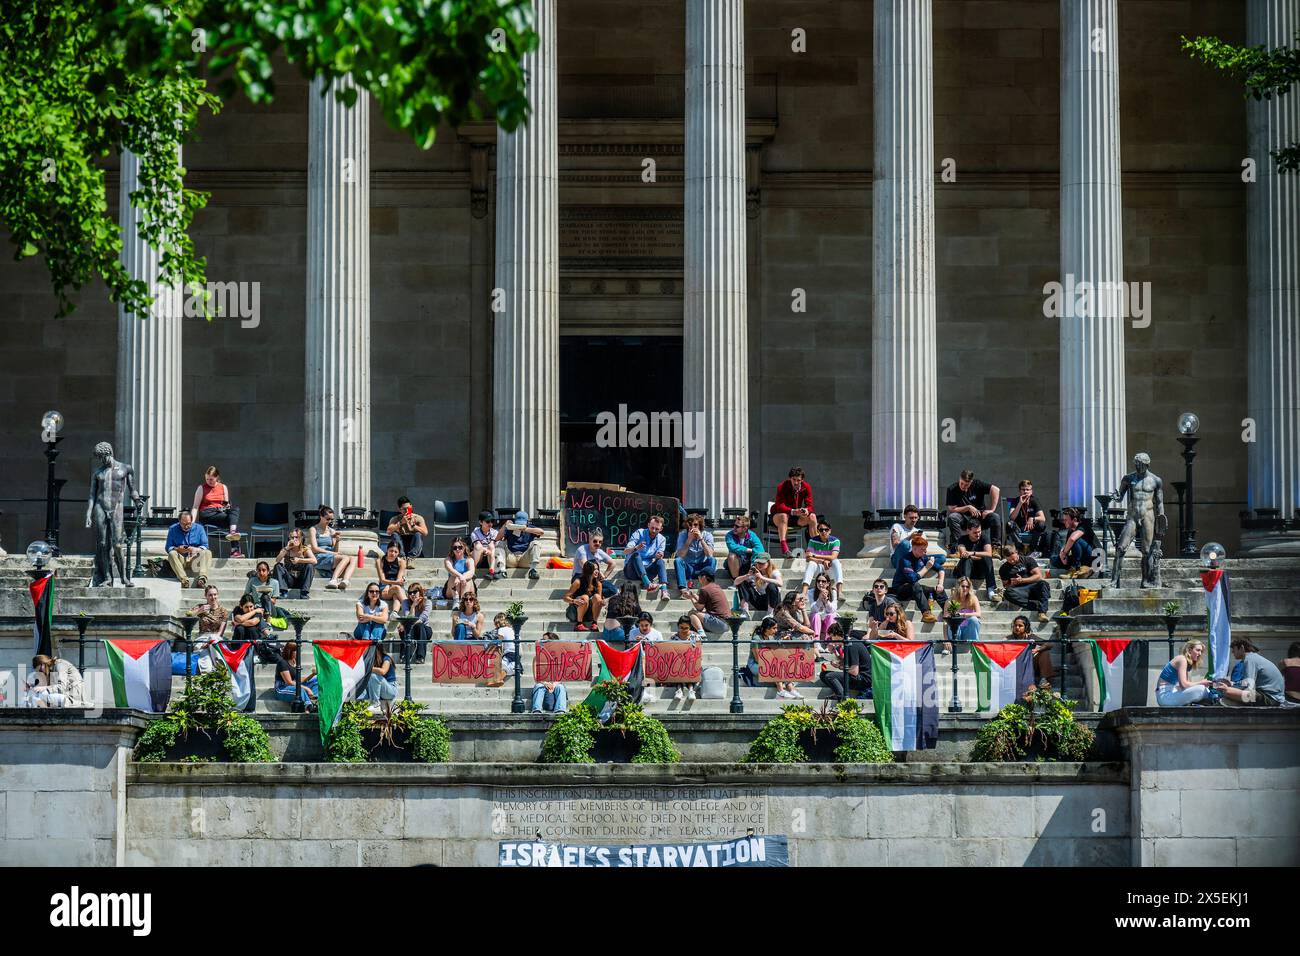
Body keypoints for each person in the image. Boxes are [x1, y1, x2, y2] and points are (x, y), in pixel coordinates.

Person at [1214, 639, 1291, 706]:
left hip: (1271, 699)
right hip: (1273, 697)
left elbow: (1249, 687)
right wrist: (1231, 683)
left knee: (1227, 691)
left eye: (1234, 650)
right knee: (1232, 692)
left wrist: (1229, 689)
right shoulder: (1253, 657)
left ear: (1242, 648)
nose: (1232, 652)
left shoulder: (1249, 659)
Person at [891, 532, 947, 624]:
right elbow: (912, 579)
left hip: (914, 589)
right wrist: (927, 568)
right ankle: (926, 613)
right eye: (922, 549)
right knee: (915, 585)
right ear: (914, 548)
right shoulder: (905, 560)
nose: (925, 552)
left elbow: (940, 569)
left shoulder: (923, 558)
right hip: (900, 589)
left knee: (937, 590)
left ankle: (948, 612)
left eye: (925, 549)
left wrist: (940, 584)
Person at [189, 465, 243, 555]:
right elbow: (195, 507)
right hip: (207, 514)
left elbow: (226, 504)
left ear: (216, 477)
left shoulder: (223, 487)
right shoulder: (201, 488)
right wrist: (192, 522)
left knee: (235, 511)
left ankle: (232, 533)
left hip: (220, 513)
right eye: (207, 479)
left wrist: (227, 506)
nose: (208, 481)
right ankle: (235, 548)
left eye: (211, 479)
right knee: (231, 520)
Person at [997, 542, 1052, 624]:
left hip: (1034, 588)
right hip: (1020, 591)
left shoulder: (1028, 560)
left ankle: (1042, 613)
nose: (1012, 561)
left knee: (1043, 583)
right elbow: (1006, 585)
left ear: (1016, 552)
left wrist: (1023, 580)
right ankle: (1036, 606)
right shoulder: (1003, 568)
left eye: (1013, 558)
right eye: (1009, 560)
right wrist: (1012, 583)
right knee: (1007, 593)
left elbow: (1038, 576)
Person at [945, 469, 1002, 547]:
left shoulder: (977, 484)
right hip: (964, 519)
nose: (963, 486)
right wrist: (968, 507)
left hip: (980, 517)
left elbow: (996, 489)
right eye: (961, 483)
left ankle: (995, 547)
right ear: (959, 478)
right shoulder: (952, 489)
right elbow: (952, 509)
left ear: (971, 482)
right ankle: (956, 547)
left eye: (966, 485)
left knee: (995, 517)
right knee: (952, 517)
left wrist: (992, 510)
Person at [770, 466, 816, 557]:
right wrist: (793, 511)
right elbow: (780, 506)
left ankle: (814, 548)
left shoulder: (806, 487)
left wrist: (806, 511)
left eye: (798, 480)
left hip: (795, 517)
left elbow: (810, 506)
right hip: (778, 516)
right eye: (793, 479)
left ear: (802, 480)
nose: (795, 482)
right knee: (784, 516)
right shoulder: (782, 486)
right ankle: (785, 550)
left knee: (812, 517)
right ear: (790, 478)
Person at [820, 623, 871, 701]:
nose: (831, 639)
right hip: (857, 676)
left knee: (830, 676)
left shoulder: (852, 645)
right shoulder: (848, 643)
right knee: (823, 675)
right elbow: (846, 662)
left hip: (863, 679)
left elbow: (854, 671)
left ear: (836, 635)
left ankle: (843, 699)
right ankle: (839, 692)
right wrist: (835, 652)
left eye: (831, 637)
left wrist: (840, 667)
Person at [311, 505, 357, 590]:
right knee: (346, 558)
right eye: (327, 519)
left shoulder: (331, 530)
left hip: (331, 557)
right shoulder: (314, 529)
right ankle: (333, 580)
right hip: (319, 557)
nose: (329, 521)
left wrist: (337, 540)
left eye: (331, 519)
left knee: (353, 559)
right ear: (321, 517)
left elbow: (335, 550)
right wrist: (333, 553)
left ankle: (345, 580)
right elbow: (314, 549)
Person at [1155, 639, 1213, 706]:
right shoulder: (1182, 659)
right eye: (1198, 650)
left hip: (1171, 693)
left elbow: (1187, 686)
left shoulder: (1187, 662)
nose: (1200, 654)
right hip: (1165, 697)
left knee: (1203, 689)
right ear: (1189, 650)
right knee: (1201, 689)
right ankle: (1215, 700)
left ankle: (1210, 700)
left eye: (1201, 651)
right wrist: (1201, 682)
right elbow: (1184, 685)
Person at [166, 509, 213, 589]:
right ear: (179, 522)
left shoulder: (199, 528)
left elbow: (205, 545)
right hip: (181, 558)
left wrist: (196, 549)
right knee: (172, 553)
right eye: (183, 524)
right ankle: (184, 580)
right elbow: (168, 547)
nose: (186, 526)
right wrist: (177, 549)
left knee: (207, 552)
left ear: (192, 521)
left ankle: (202, 579)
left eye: (189, 524)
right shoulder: (173, 529)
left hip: (195, 559)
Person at [953, 517, 997, 600]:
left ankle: (991, 589)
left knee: (987, 558)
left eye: (979, 531)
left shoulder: (985, 538)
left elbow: (989, 553)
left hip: (980, 571)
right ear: (968, 531)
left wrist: (972, 553)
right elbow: (964, 553)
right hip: (966, 570)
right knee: (966, 559)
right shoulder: (962, 539)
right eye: (975, 532)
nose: (978, 534)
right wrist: (977, 555)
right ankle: (965, 589)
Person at [624, 515, 669, 594]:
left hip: (648, 570)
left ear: (661, 529)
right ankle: (648, 584)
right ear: (648, 525)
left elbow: (659, 555)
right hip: (632, 571)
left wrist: (659, 556)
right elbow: (625, 551)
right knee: (636, 555)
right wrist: (636, 548)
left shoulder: (662, 539)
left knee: (661, 562)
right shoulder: (639, 533)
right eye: (652, 528)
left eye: (657, 529)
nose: (654, 531)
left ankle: (664, 589)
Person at [1008, 614, 1054, 689]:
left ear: (1026, 627)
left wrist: (1038, 649)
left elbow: (1050, 644)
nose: (1017, 628)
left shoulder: (1031, 637)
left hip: (1030, 665)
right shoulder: (1009, 638)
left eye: (1020, 626)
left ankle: (1044, 680)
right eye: (1015, 625)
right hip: (1016, 667)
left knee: (1044, 652)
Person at [25, 655, 90, 708]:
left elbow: (61, 687)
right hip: (66, 695)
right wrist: (34, 687)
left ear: (43, 665)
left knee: (44, 695)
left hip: (74, 698)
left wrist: (45, 688)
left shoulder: (60, 665)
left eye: (40, 671)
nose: (42, 673)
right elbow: (52, 687)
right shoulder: (52, 670)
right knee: (34, 696)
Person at [674, 513, 717, 594]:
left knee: (712, 560)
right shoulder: (683, 535)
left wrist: (701, 539)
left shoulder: (708, 535)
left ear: (700, 525)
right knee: (678, 560)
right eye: (690, 524)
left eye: (695, 525)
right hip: (688, 567)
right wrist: (689, 539)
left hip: (702, 568)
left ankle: (708, 587)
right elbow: (680, 555)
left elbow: (709, 554)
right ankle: (683, 588)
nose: (692, 527)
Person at [1050, 507, 1098, 577]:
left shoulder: (1084, 526)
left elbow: (1072, 539)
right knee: (1054, 560)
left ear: (1074, 519)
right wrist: (1062, 555)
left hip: (1093, 557)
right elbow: (1067, 545)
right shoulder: (1070, 530)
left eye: (1066, 520)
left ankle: (1075, 568)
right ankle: (1079, 569)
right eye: (1063, 520)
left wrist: (1064, 553)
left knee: (1075, 540)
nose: (1064, 522)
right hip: (1080, 557)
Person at [802, 521, 844, 600]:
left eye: (826, 529)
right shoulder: (812, 541)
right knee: (811, 563)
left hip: (829, 569)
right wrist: (822, 561)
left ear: (830, 530)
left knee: (836, 562)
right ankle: (804, 593)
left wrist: (815, 555)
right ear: (818, 531)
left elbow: (833, 557)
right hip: (818, 569)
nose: (824, 532)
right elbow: (808, 557)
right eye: (821, 530)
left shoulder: (835, 541)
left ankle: (840, 592)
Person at [531, 631, 570, 713]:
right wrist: (546, 683)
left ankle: (560, 710)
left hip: (555, 683)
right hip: (542, 683)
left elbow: (561, 675)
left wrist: (554, 684)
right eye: (542, 640)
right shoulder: (537, 657)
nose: (542, 642)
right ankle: (536, 710)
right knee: (539, 687)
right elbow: (537, 678)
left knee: (560, 687)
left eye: (545, 640)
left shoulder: (560, 657)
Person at [1006, 479, 1047, 557]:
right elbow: (1012, 518)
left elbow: (1043, 518)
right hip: (1018, 528)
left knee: (1041, 525)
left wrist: (1032, 518)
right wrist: (1020, 503)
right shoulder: (1015, 501)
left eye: (1028, 490)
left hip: (1031, 528)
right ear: (1020, 491)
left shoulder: (1034, 500)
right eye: (1023, 489)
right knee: (1009, 524)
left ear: (1031, 491)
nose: (1025, 492)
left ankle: (1032, 549)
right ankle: (1020, 548)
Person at [563, 561, 606, 632]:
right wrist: (574, 601)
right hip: (575, 613)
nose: (597, 571)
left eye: (597, 569)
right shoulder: (578, 582)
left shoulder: (598, 584)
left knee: (597, 597)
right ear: (588, 570)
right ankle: (579, 624)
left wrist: (602, 602)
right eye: (594, 569)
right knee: (585, 597)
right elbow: (565, 597)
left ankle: (594, 623)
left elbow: (599, 601)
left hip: (590, 615)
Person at [502, 510, 546, 580]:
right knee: (499, 543)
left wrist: (525, 529)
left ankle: (533, 570)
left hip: (524, 558)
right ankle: (501, 570)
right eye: (518, 523)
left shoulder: (529, 527)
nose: (520, 525)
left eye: (522, 523)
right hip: (511, 558)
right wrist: (505, 526)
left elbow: (541, 532)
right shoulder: (510, 528)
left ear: (527, 522)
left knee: (536, 543)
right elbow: (497, 539)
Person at [273, 642, 318, 710]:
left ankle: (314, 699)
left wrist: (312, 674)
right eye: (297, 650)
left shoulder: (294, 661)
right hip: (282, 688)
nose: (299, 652)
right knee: (300, 690)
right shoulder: (282, 663)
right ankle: (308, 707)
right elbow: (289, 682)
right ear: (290, 651)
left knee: (317, 680)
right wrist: (307, 688)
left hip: (294, 686)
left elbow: (298, 680)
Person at [668, 615, 703, 701]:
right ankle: (680, 689)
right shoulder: (673, 638)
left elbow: (699, 653)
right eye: (681, 628)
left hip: (692, 663)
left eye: (686, 628)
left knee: (689, 664)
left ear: (690, 627)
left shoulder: (696, 636)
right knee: (678, 665)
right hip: (678, 664)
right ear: (678, 626)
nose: (683, 630)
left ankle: (690, 689)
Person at [574, 531, 618, 597]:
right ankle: (590, 595)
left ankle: (593, 596)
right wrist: (600, 573)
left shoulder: (599, 552)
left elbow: (613, 563)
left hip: (594, 578)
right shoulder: (582, 550)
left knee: (613, 590)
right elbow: (585, 566)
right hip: (580, 577)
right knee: (587, 590)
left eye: (600, 542)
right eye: (595, 541)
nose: (598, 543)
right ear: (589, 540)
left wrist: (604, 576)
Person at [274, 528, 316, 599]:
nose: (294, 539)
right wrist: (287, 548)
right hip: (289, 579)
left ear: (301, 538)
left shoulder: (305, 549)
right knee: (278, 566)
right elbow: (277, 560)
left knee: (310, 565)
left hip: (301, 580)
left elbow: (314, 561)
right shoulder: (287, 550)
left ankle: (304, 593)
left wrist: (300, 560)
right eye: (292, 537)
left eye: (297, 537)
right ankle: (283, 592)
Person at [397, 583, 433, 665]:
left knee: (418, 625)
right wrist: (413, 606)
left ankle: (420, 657)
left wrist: (406, 625)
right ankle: (405, 656)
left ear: (420, 592)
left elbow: (422, 619)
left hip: (424, 630)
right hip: (410, 630)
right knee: (406, 629)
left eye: (415, 592)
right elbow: (408, 617)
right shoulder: (405, 602)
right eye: (410, 593)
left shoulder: (427, 602)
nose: (412, 595)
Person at [632, 612, 663, 704]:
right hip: (637, 658)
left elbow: (661, 650)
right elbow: (630, 649)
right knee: (642, 657)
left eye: (646, 625)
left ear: (651, 624)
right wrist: (635, 642)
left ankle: (644, 688)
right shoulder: (633, 633)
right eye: (641, 625)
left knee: (644, 658)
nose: (644, 628)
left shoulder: (657, 634)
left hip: (653, 659)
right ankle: (643, 689)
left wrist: (648, 643)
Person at [686, 570, 730, 636]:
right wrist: (693, 595)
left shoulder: (704, 589)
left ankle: (701, 634)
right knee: (699, 616)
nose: (698, 578)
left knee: (692, 613)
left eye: (699, 576)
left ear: (704, 577)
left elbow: (699, 608)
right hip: (727, 624)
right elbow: (703, 601)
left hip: (718, 624)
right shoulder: (716, 587)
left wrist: (691, 598)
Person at [385, 497, 428, 561]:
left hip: (413, 543)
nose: (407, 511)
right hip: (401, 542)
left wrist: (414, 526)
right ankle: (401, 556)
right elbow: (388, 531)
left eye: (409, 508)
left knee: (418, 534)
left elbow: (425, 532)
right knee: (395, 534)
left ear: (411, 506)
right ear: (400, 510)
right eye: (404, 509)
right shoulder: (395, 519)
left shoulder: (418, 518)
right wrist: (400, 523)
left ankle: (412, 556)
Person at [363, 642, 398, 714]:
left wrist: (369, 668)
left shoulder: (386, 659)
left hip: (390, 690)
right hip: (381, 690)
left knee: (373, 676)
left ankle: (375, 704)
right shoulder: (371, 660)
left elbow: (383, 671)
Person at [469, 511, 506, 581]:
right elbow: (478, 545)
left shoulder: (494, 532)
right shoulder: (475, 533)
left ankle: (491, 571)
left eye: (492, 521)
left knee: (492, 546)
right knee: (478, 547)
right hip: (479, 558)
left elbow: (494, 544)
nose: (490, 524)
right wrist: (485, 550)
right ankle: (472, 571)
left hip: (491, 558)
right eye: (487, 521)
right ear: (480, 522)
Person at [724, 513, 762, 580]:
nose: (734, 528)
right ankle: (736, 582)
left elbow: (760, 550)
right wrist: (749, 550)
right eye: (734, 525)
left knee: (762, 557)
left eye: (737, 526)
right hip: (736, 563)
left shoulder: (752, 535)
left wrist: (753, 563)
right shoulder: (729, 535)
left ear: (745, 528)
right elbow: (732, 547)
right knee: (732, 555)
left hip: (749, 563)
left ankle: (753, 578)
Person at [949, 576, 982, 654]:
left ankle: (975, 646)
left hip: (968, 631)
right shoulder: (951, 600)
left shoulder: (973, 598)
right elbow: (945, 622)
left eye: (967, 586)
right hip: (956, 631)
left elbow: (979, 614)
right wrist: (945, 640)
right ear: (958, 586)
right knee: (952, 622)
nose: (965, 589)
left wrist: (962, 614)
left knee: (974, 619)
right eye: (963, 586)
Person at [376, 539, 408, 614]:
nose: (393, 553)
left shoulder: (402, 562)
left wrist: (391, 585)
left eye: (396, 552)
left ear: (399, 553)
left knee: (396, 596)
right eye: (391, 550)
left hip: (396, 587)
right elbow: (382, 580)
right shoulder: (380, 561)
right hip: (384, 588)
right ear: (387, 550)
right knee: (397, 589)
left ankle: (394, 613)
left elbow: (399, 579)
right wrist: (388, 585)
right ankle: (409, 608)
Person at [443, 537, 476, 603]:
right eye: (455, 548)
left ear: (464, 548)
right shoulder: (448, 559)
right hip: (452, 588)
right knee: (453, 576)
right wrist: (459, 576)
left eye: (460, 547)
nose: (457, 549)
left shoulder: (469, 560)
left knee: (468, 579)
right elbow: (450, 569)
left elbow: (471, 572)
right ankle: (456, 600)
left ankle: (463, 601)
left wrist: (462, 577)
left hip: (467, 588)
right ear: (452, 549)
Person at [808, 572, 838, 643]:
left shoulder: (833, 592)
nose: (820, 583)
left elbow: (832, 610)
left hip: (827, 619)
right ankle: (816, 642)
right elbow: (813, 609)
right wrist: (819, 599)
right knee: (816, 615)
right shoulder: (811, 592)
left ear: (828, 583)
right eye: (818, 581)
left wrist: (826, 601)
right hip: (816, 620)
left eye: (823, 581)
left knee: (832, 616)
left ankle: (829, 642)